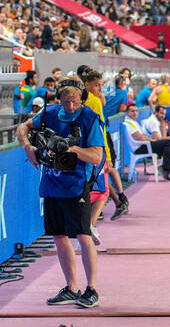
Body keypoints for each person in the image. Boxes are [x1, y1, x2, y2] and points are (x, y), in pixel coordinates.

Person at [16, 76, 106, 308]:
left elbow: (96, 157)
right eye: (66, 101)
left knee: (84, 235)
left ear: (82, 99)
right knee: (58, 236)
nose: (70, 106)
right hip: (51, 182)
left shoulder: (90, 119)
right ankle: (71, 287)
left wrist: (73, 149)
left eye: (75, 101)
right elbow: (22, 128)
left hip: (77, 185)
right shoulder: (49, 113)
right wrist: (28, 147)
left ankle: (92, 289)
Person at [79, 66, 130, 225]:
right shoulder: (89, 99)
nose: (100, 88)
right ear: (86, 84)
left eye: (101, 85)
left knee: (104, 173)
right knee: (99, 177)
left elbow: (100, 127)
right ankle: (118, 201)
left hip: (98, 143)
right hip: (92, 145)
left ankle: (119, 200)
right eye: (97, 85)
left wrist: (106, 155)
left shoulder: (95, 100)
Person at [121, 103, 170, 178]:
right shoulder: (128, 124)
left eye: (136, 111)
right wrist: (152, 140)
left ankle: (166, 168)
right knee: (167, 142)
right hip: (140, 148)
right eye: (132, 111)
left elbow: (144, 136)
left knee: (169, 145)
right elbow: (140, 137)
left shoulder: (134, 122)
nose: (135, 113)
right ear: (127, 113)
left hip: (144, 145)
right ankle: (165, 170)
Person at [150, 73, 170, 138]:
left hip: (162, 110)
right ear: (168, 80)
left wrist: (153, 110)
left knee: (163, 136)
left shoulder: (157, 88)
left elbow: (149, 99)